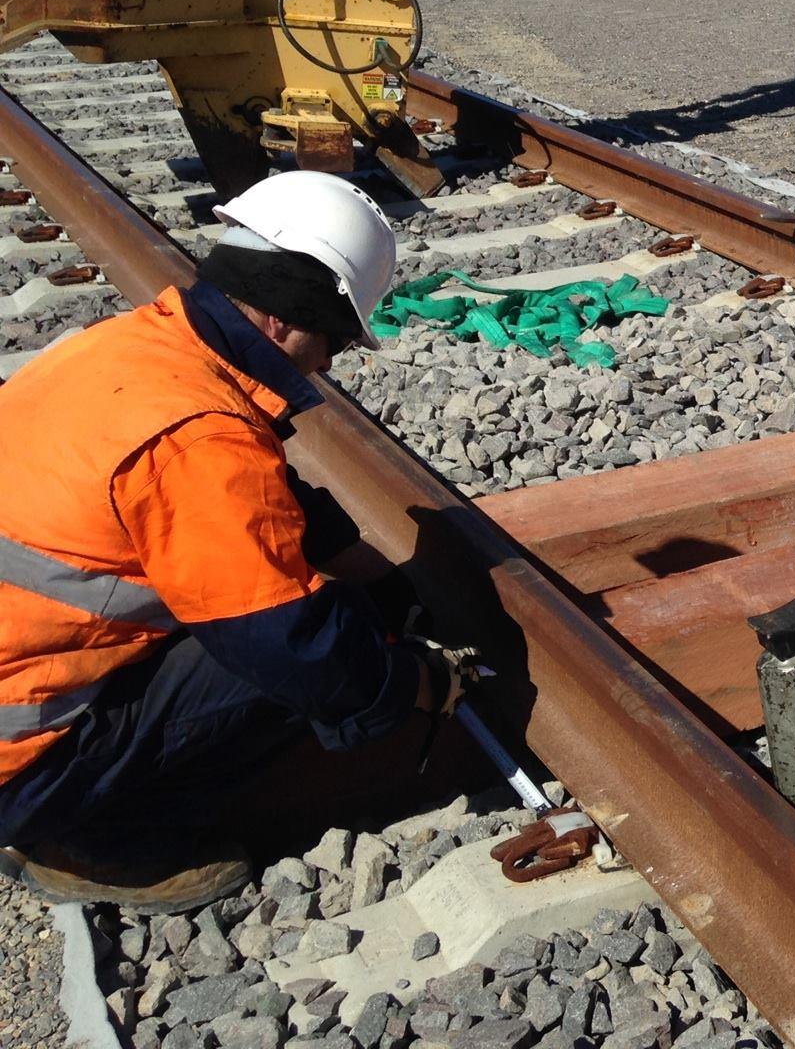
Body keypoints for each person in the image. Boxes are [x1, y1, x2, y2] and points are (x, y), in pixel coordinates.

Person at [0, 171, 465, 909]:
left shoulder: (137, 348)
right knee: (309, 654)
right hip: (20, 761)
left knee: (316, 605)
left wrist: (377, 574)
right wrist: (413, 682)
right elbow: (293, 646)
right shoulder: (201, 437)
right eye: (336, 339)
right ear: (284, 320)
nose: (331, 363)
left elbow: (257, 502)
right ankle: (100, 844)